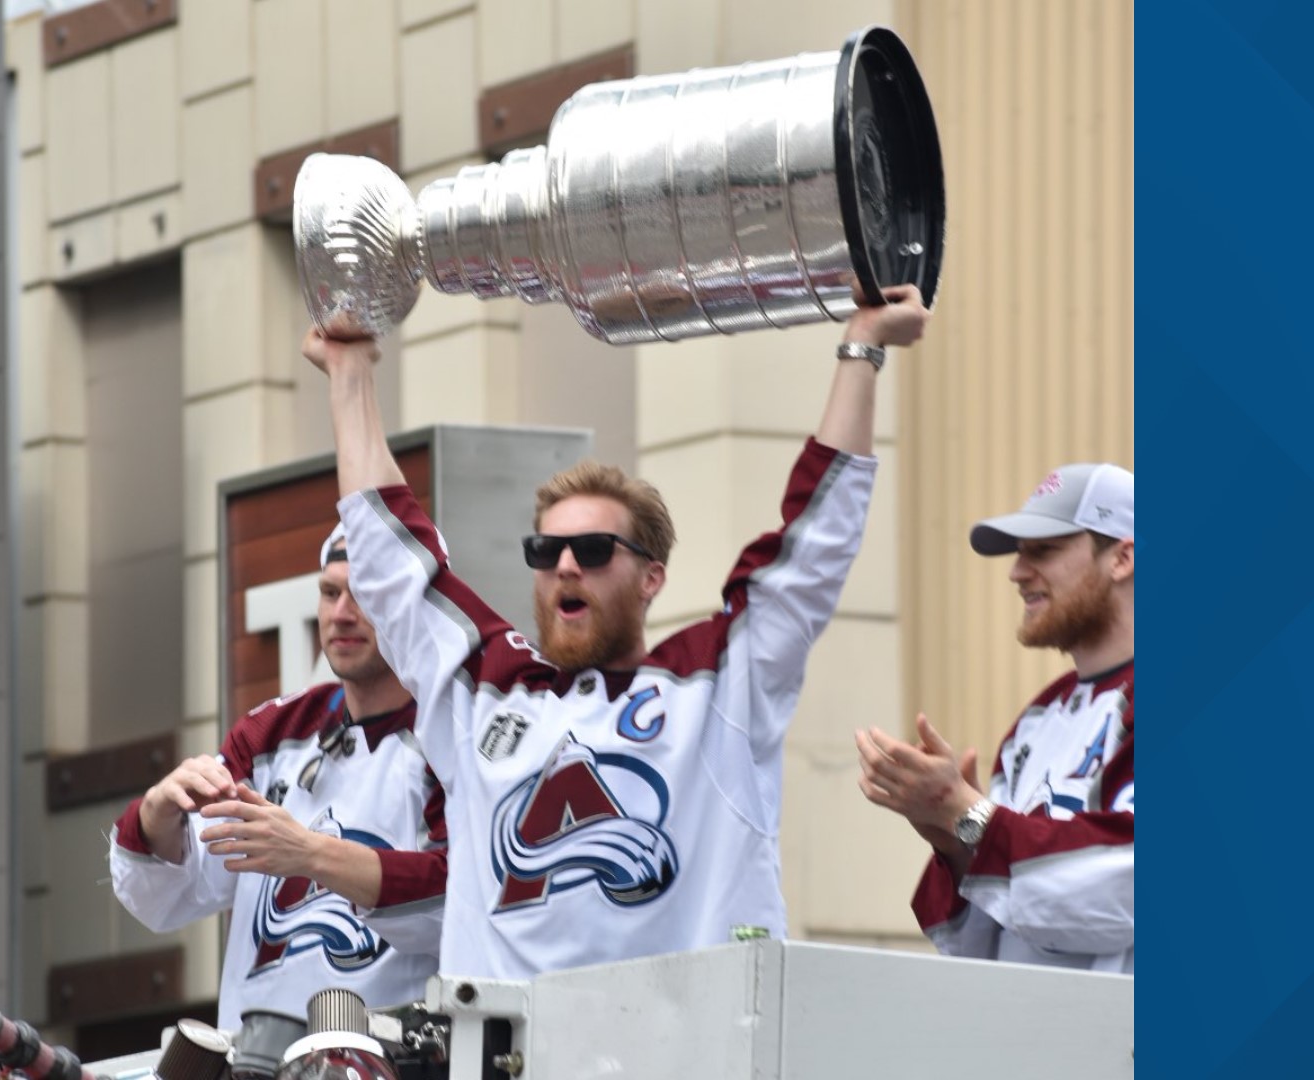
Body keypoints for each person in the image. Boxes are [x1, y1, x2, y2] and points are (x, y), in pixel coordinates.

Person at [303, 285, 930, 979]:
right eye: (547, 553)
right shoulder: (483, 692)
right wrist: (350, 372)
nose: (567, 565)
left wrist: (862, 348)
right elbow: (395, 564)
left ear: (651, 578)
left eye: (596, 551)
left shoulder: (718, 682)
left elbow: (810, 550)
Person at [108, 527, 448, 1030]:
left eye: (365, 595)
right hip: (251, 1062)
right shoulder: (273, 732)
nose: (341, 613)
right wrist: (158, 813)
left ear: (419, 603)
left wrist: (311, 853)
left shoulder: (456, 737)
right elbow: (167, 897)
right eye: (330, 592)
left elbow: (460, 905)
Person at [856, 463, 1134, 973]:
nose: (1017, 571)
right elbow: (980, 943)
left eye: (1044, 549)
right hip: (1033, 1037)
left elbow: (1127, 886)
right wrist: (949, 834)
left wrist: (968, 815)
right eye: (1019, 553)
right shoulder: (1038, 719)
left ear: (1122, 558)